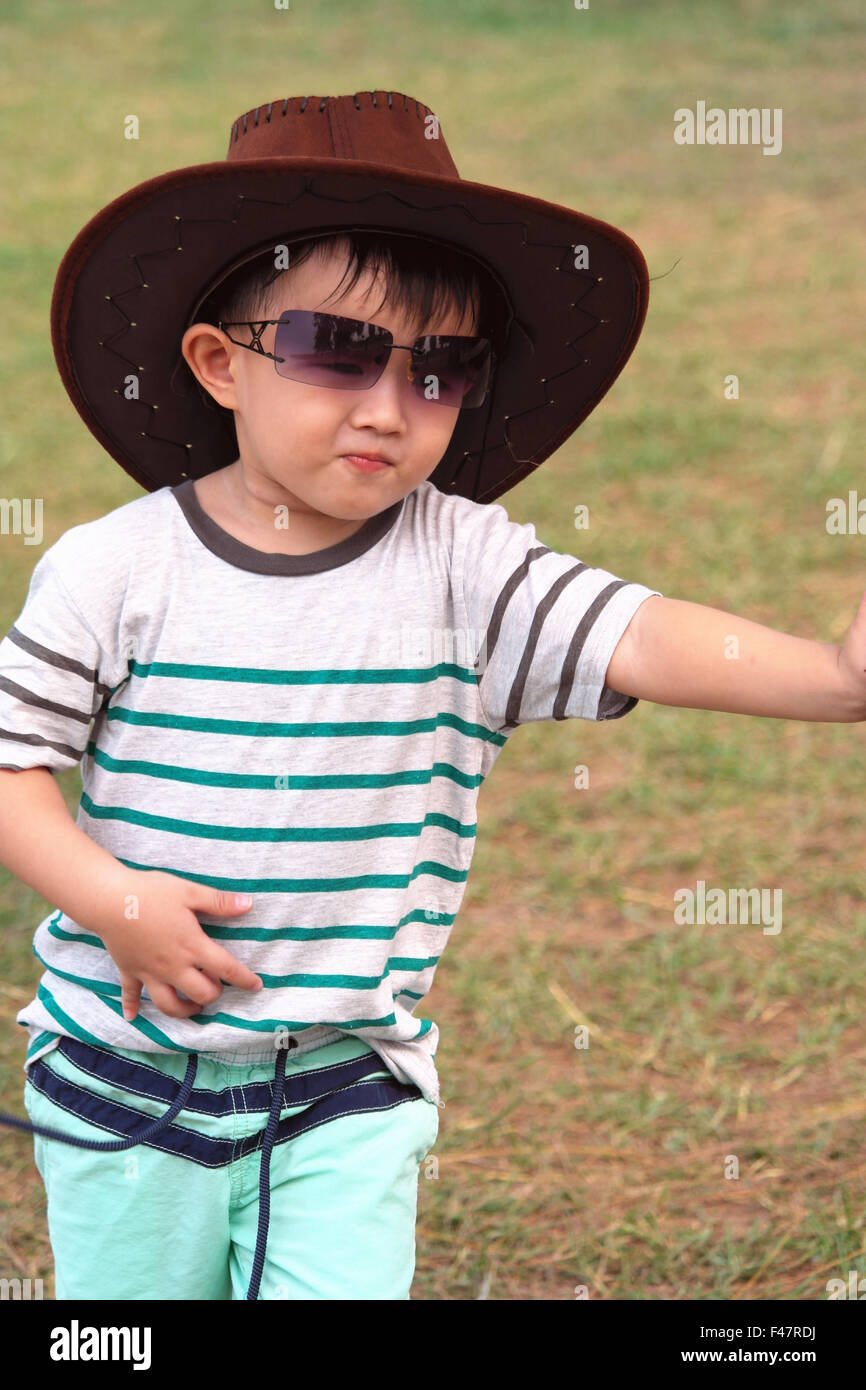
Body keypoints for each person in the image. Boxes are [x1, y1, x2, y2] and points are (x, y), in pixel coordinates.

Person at [0, 89, 864, 1302]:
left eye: (439, 368)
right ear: (217, 364)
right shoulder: (113, 568)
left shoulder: (466, 566)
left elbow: (648, 635)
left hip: (347, 1083)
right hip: (123, 1073)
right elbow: (9, 763)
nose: (385, 406)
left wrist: (837, 678)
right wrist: (115, 898)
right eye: (330, 349)